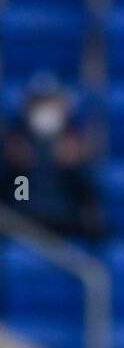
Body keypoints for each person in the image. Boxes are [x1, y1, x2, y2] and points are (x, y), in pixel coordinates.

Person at [0, 73, 104, 240]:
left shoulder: (75, 142)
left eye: (51, 102)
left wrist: (74, 168)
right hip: (22, 226)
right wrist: (16, 169)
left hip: (66, 227)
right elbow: (15, 198)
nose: (45, 110)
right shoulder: (15, 141)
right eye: (39, 102)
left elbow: (92, 208)